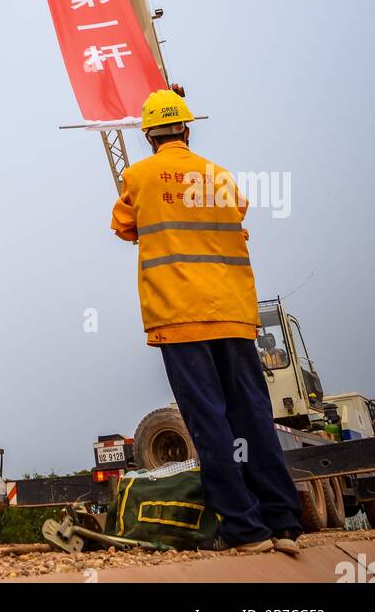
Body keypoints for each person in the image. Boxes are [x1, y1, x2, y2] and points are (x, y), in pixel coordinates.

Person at [111, 88, 303, 555]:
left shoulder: (138, 176)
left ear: (148, 135)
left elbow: (122, 226)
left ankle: (245, 530)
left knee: (209, 422)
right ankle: (283, 523)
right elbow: (237, 212)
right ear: (187, 129)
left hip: (181, 317)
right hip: (233, 313)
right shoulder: (218, 176)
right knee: (253, 416)